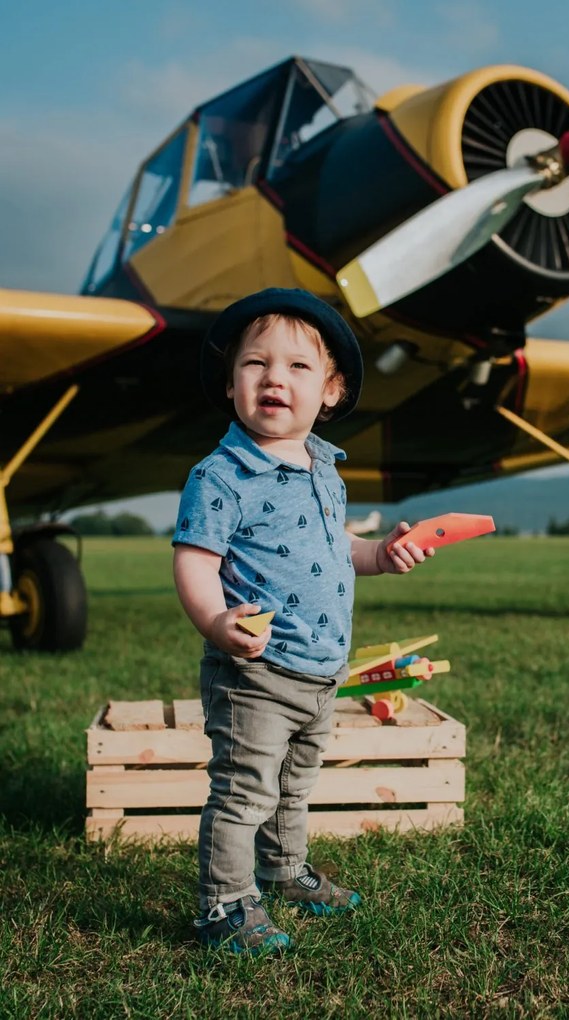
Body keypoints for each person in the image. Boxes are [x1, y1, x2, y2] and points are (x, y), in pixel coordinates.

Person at [173, 288, 434, 956]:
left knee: (294, 785)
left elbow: (332, 546)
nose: (272, 379)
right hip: (256, 672)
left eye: (296, 367)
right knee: (244, 792)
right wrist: (215, 620)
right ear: (231, 385)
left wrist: (379, 554)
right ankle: (224, 909)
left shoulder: (323, 465)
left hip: (320, 670)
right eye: (254, 364)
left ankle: (284, 873)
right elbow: (195, 561)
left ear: (331, 391)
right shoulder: (222, 474)